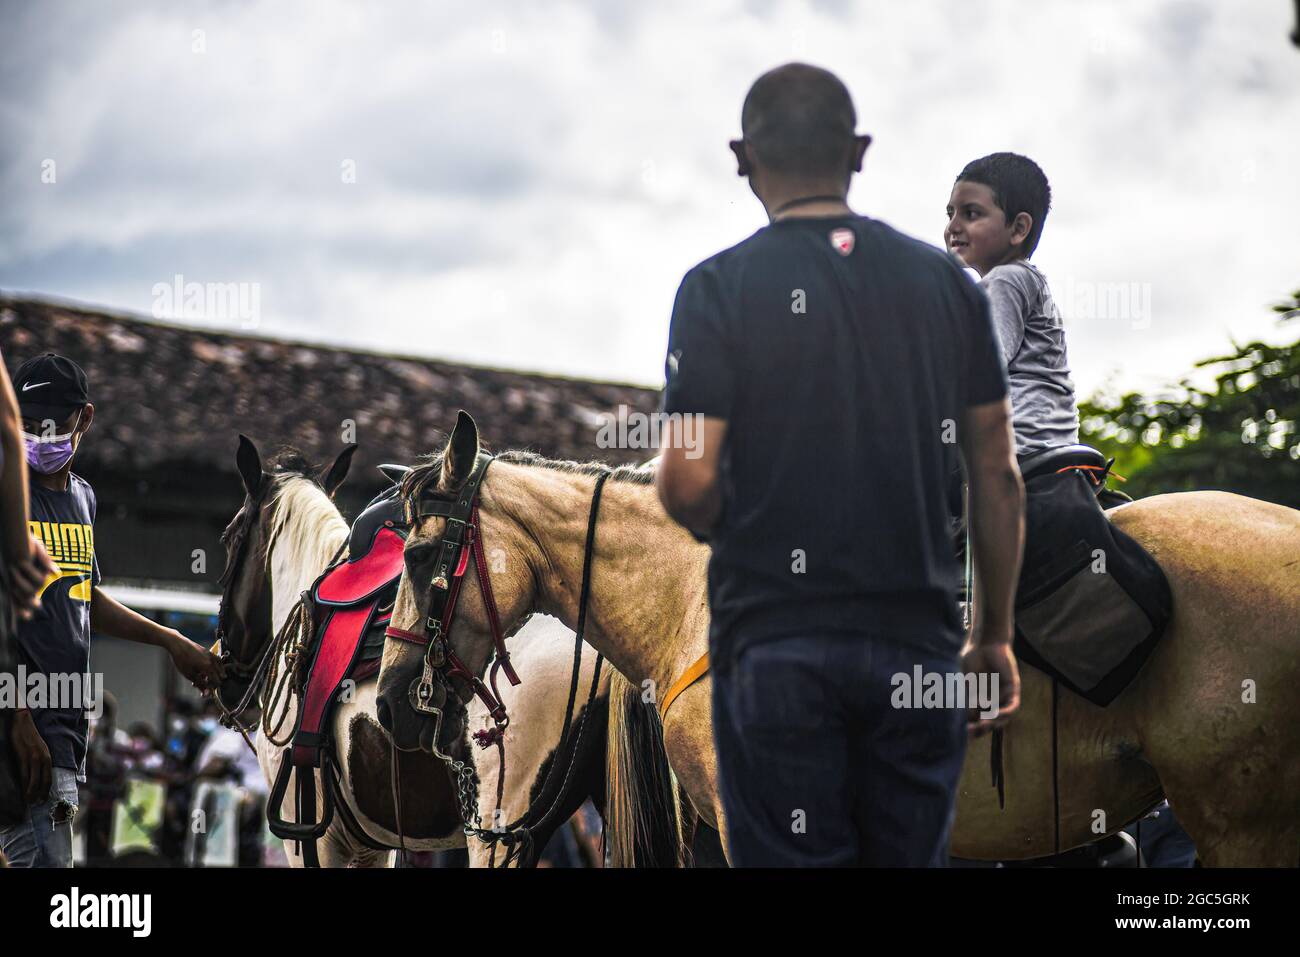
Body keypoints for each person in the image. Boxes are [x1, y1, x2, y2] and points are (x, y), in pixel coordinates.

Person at [656, 63, 1024, 866]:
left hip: (773, 649)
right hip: (917, 654)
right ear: (858, 151)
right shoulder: (947, 287)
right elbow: (997, 474)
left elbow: (684, 481)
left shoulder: (712, 291)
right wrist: (992, 636)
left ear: (740, 154)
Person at [0, 352, 224, 867]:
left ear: (86, 418)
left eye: (55, 424)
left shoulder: (83, 499)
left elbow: (85, 599)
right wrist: (16, 716)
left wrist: (171, 642)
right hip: (24, 731)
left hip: (63, 730)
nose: (41, 437)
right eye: (28, 425)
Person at [944, 152, 1079, 457]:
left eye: (971, 214)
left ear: (1018, 229)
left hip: (1018, 441)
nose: (953, 226)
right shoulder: (1021, 280)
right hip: (1048, 439)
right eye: (950, 213)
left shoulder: (1007, 279)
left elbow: (984, 362)